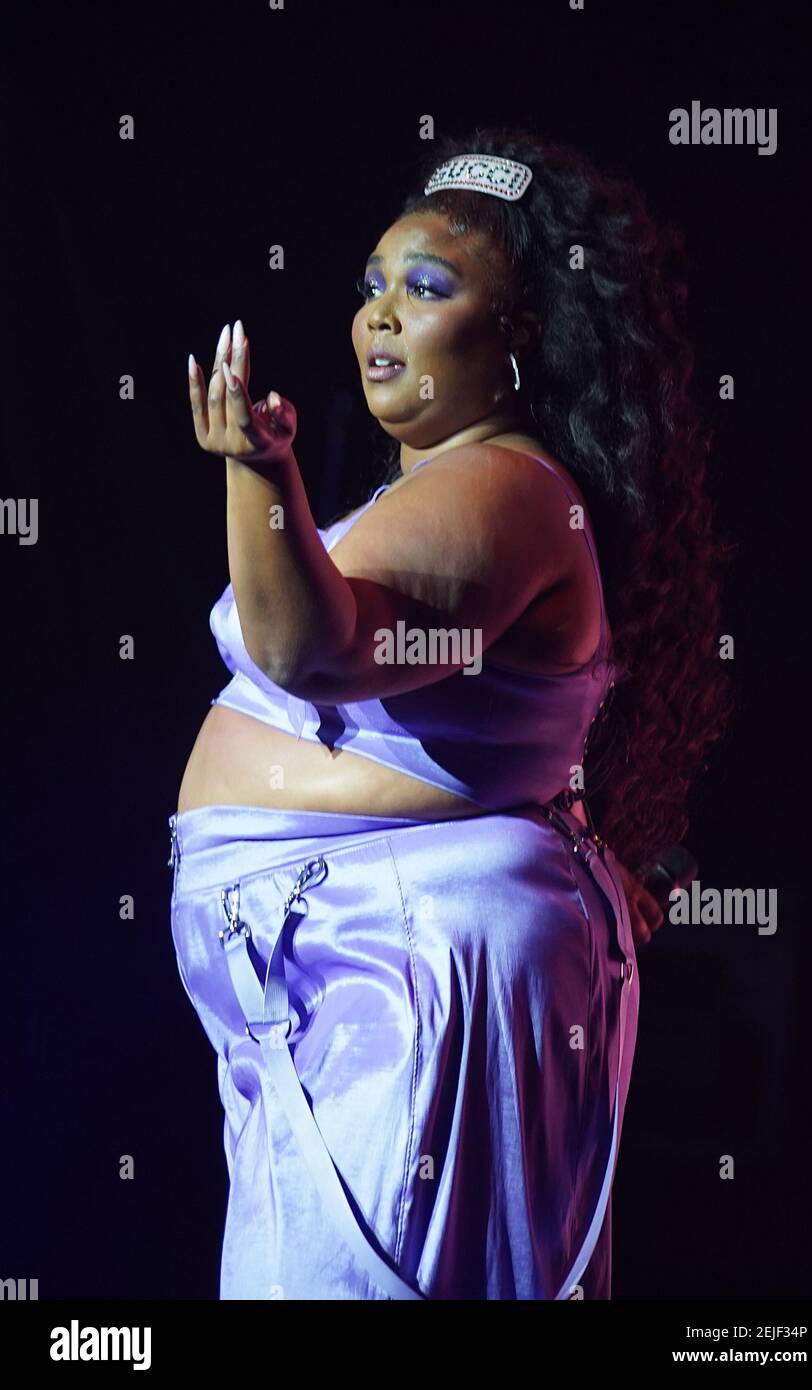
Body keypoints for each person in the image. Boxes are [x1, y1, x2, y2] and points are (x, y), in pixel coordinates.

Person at [168, 128, 731, 1300]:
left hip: (412, 978)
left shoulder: (504, 483)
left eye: (425, 289)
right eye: (372, 286)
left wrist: (257, 473)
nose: (380, 314)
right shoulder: (465, 487)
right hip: (378, 978)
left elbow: (314, 651)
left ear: (519, 334)